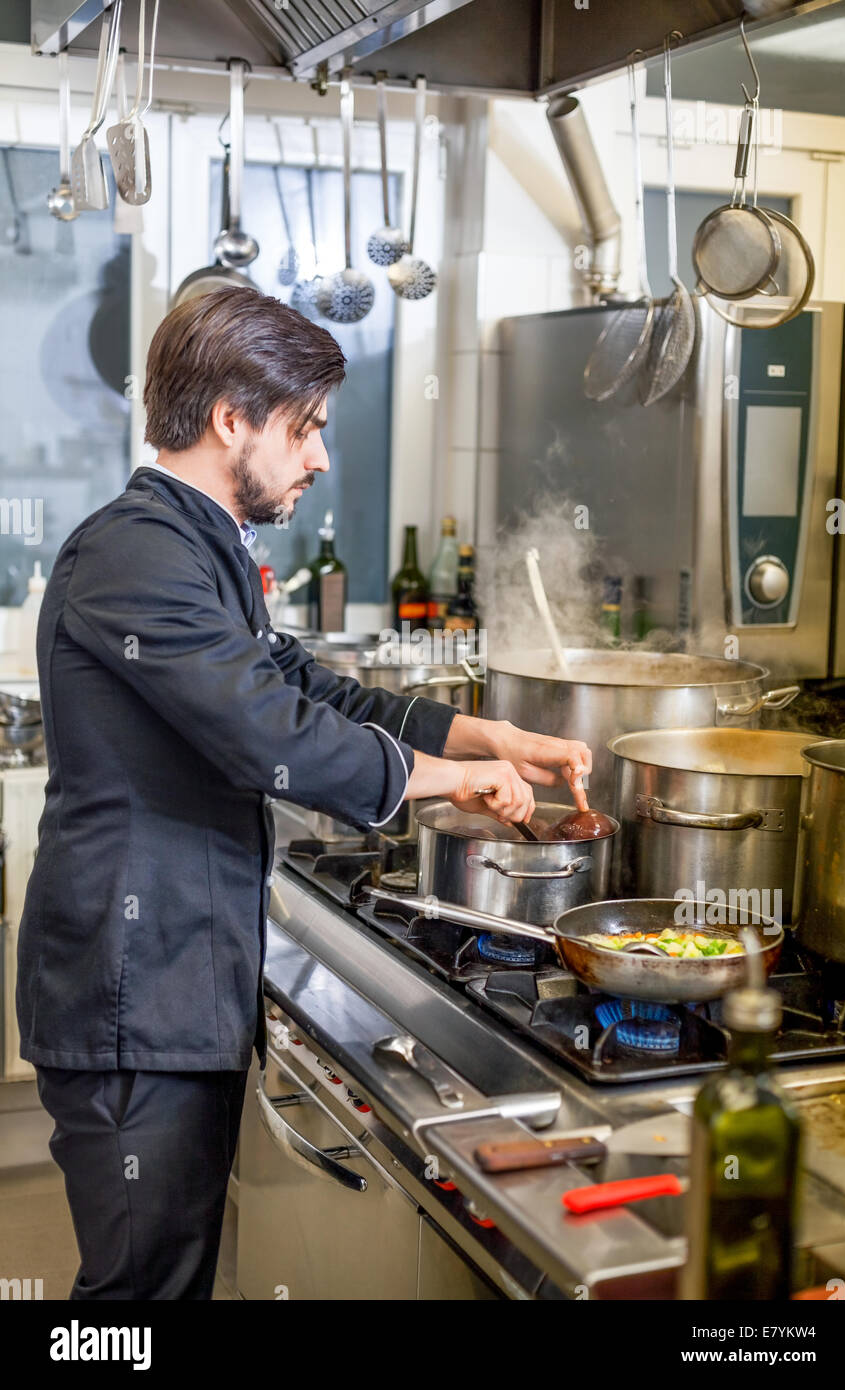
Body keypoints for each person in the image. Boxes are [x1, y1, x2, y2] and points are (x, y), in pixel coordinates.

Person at [17, 287, 591, 1300]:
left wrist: (479, 730)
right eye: (305, 428)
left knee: (166, 1281)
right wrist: (455, 781)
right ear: (229, 418)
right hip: (130, 994)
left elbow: (302, 684)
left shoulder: (195, 545)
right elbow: (268, 732)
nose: (320, 459)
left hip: (172, 978)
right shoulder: (134, 553)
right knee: (138, 1295)